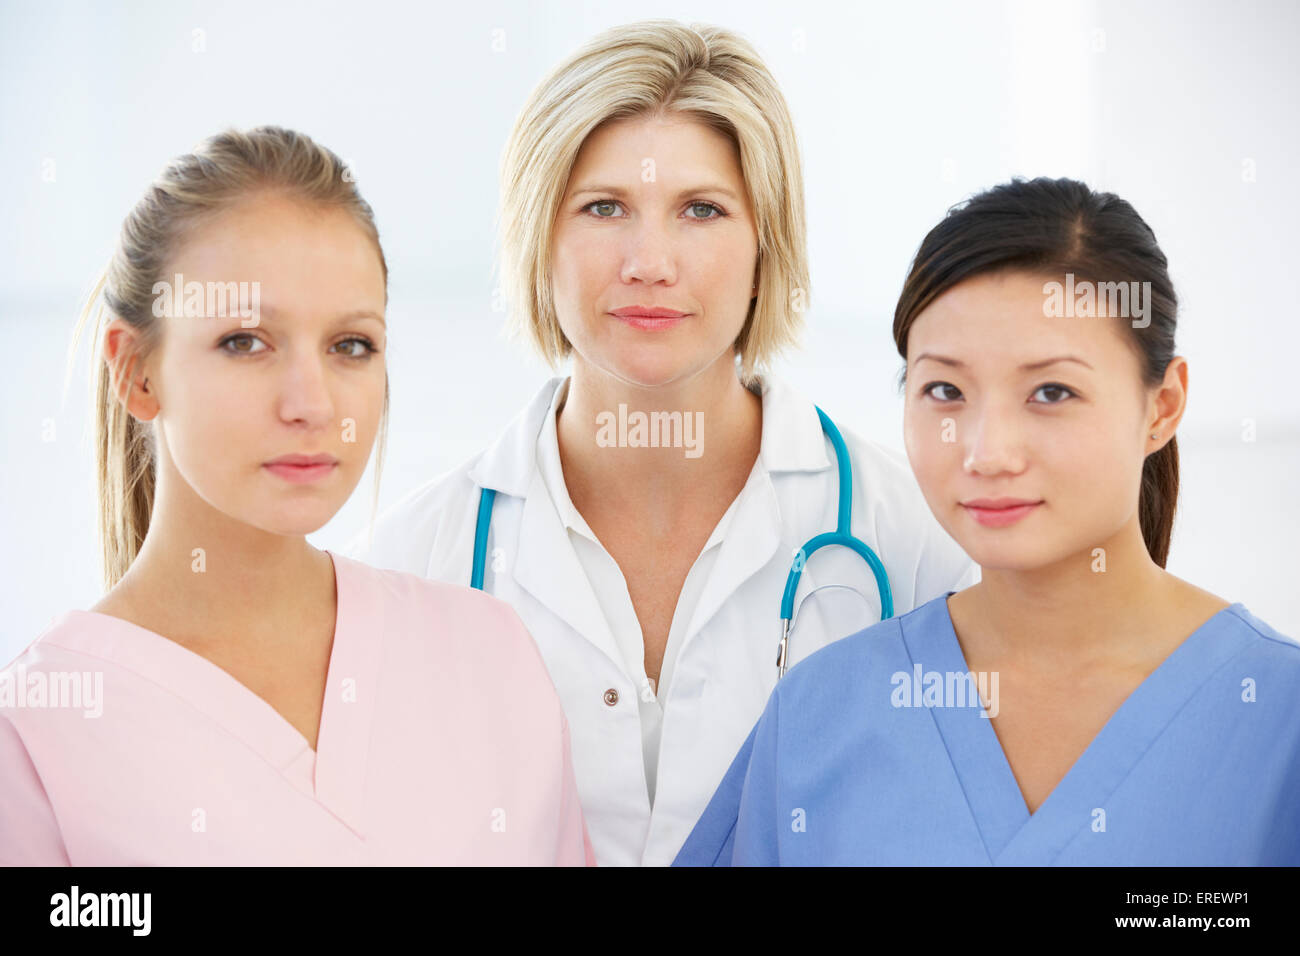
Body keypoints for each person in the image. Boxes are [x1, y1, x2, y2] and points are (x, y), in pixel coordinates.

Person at [351, 20, 976, 866]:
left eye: (701, 210)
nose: (650, 262)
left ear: (767, 245)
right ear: (539, 238)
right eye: (604, 207)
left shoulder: (911, 542)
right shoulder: (416, 559)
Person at [0, 126, 593, 866]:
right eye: (246, 341)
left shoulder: (491, 655)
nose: (312, 404)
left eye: (350, 345)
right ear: (137, 374)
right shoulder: (36, 733)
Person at [673, 176, 1300, 866]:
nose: (986, 452)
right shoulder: (818, 715)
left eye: (1051, 392)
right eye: (945, 390)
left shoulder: (1277, 722)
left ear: (1163, 406)